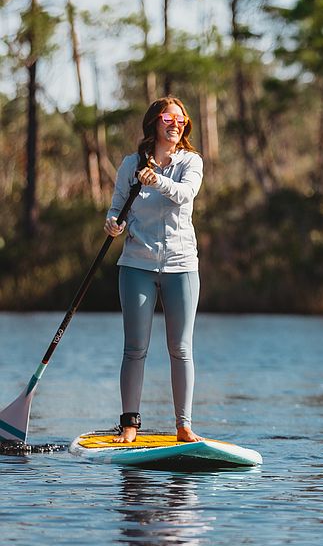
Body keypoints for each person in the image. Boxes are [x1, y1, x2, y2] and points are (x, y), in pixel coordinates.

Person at [104, 96, 204, 443]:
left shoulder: (191, 162)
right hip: (137, 265)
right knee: (135, 349)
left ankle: (183, 426)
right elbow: (116, 208)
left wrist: (156, 180)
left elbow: (185, 193)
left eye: (181, 120)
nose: (175, 124)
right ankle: (129, 424)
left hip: (181, 266)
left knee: (181, 348)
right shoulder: (130, 164)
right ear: (154, 123)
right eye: (168, 118)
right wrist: (112, 224)